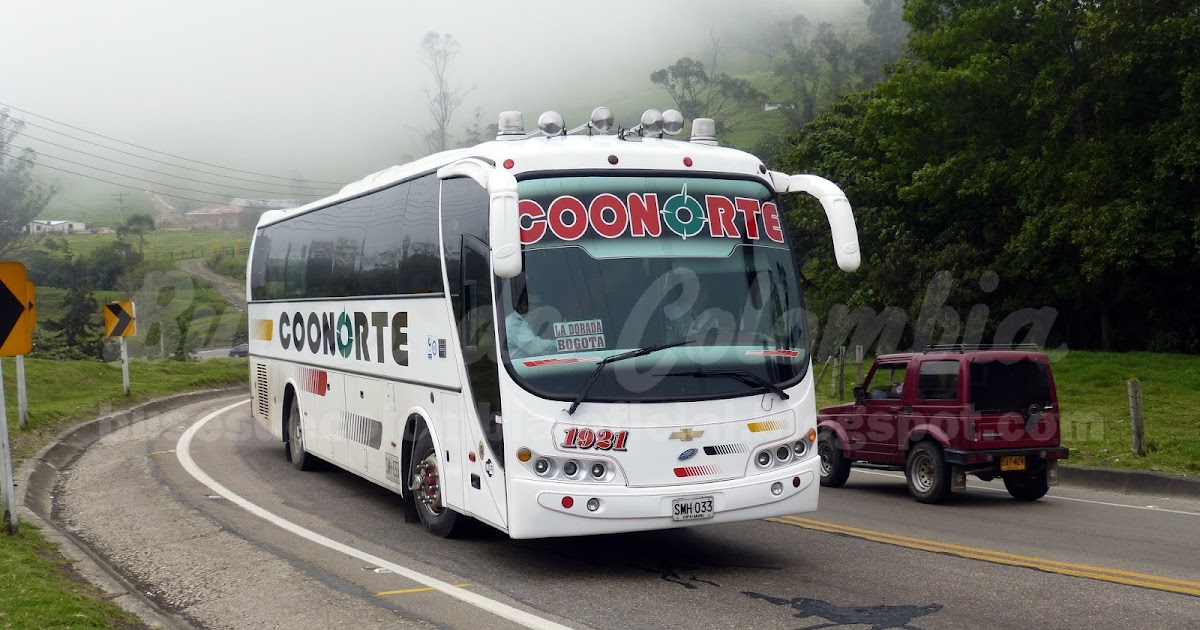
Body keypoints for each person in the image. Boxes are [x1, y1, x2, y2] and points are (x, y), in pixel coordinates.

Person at [505, 286, 558, 359]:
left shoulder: (529, 323)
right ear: (520, 305)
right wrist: (563, 344)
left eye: (536, 305)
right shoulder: (513, 324)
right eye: (529, 304)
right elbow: (535, 347)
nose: (532, 308)